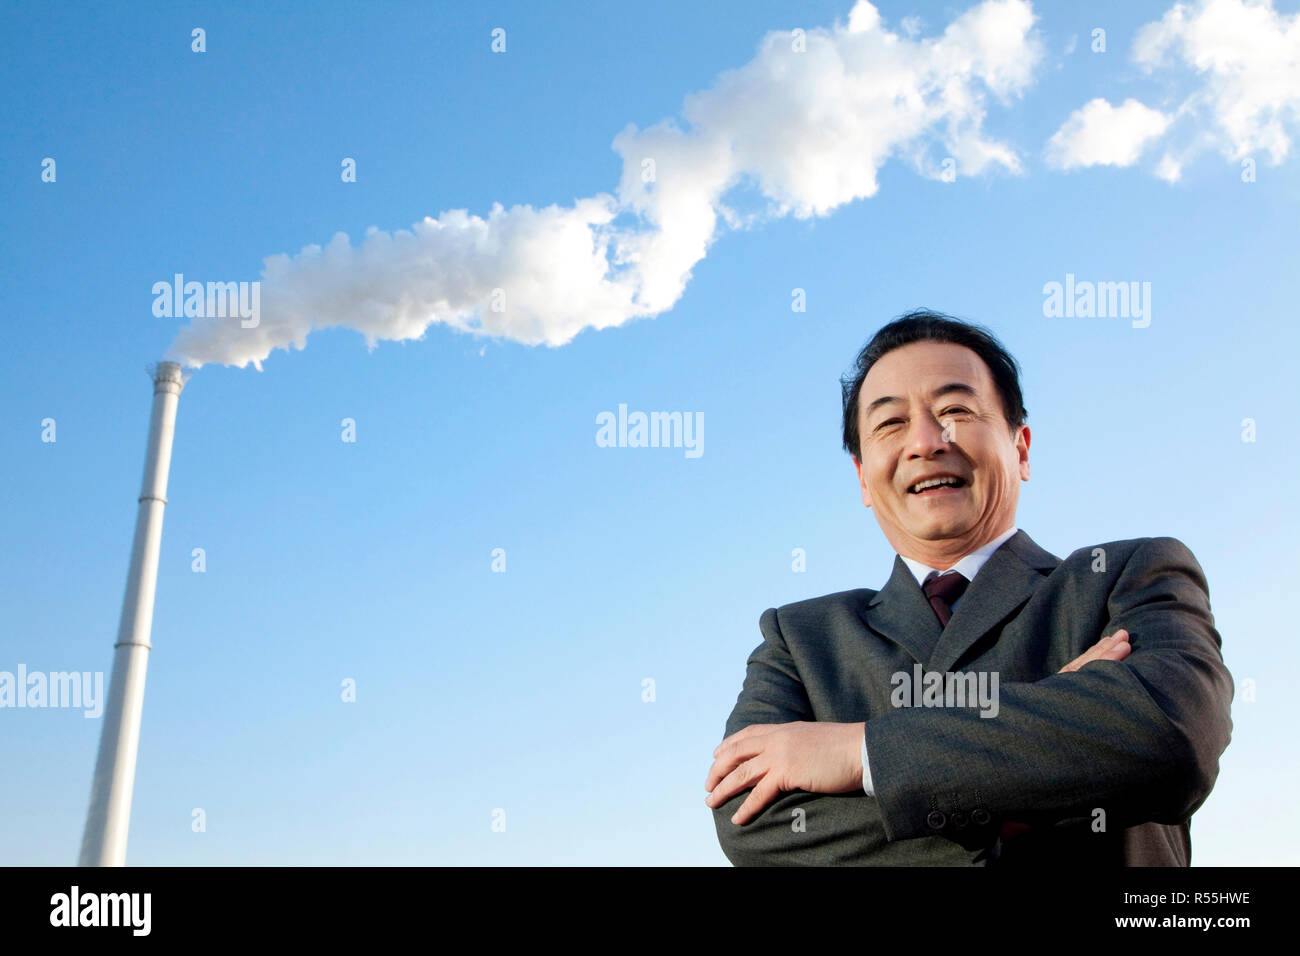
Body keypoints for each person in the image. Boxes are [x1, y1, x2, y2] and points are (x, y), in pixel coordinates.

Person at [704, 310, 1233, 866]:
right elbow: (752, 822)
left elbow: (1172, 735)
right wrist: (1047, 753)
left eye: (956, 410)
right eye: (890, 424)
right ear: (863, 476)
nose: (927, 442)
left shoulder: (1125, 575)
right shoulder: (799, 638)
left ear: (1021, 448)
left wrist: (862, 753)